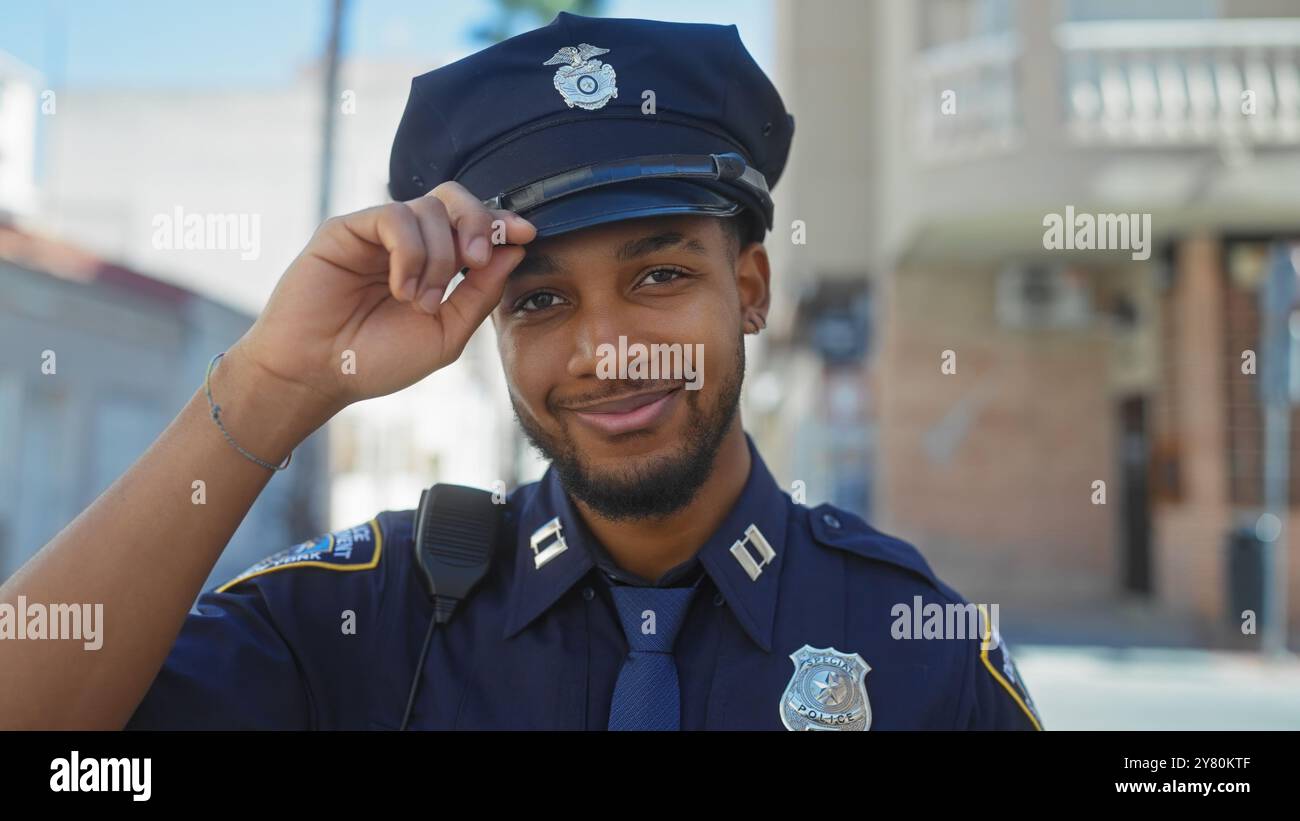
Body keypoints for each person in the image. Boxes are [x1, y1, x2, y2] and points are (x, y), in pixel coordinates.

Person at [0, 11, 1042, 731]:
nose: (605, 349)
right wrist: (277, 385)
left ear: (753, 285)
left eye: (661, 273)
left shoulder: (913, 641)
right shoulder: (375, 615)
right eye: (539, 297)